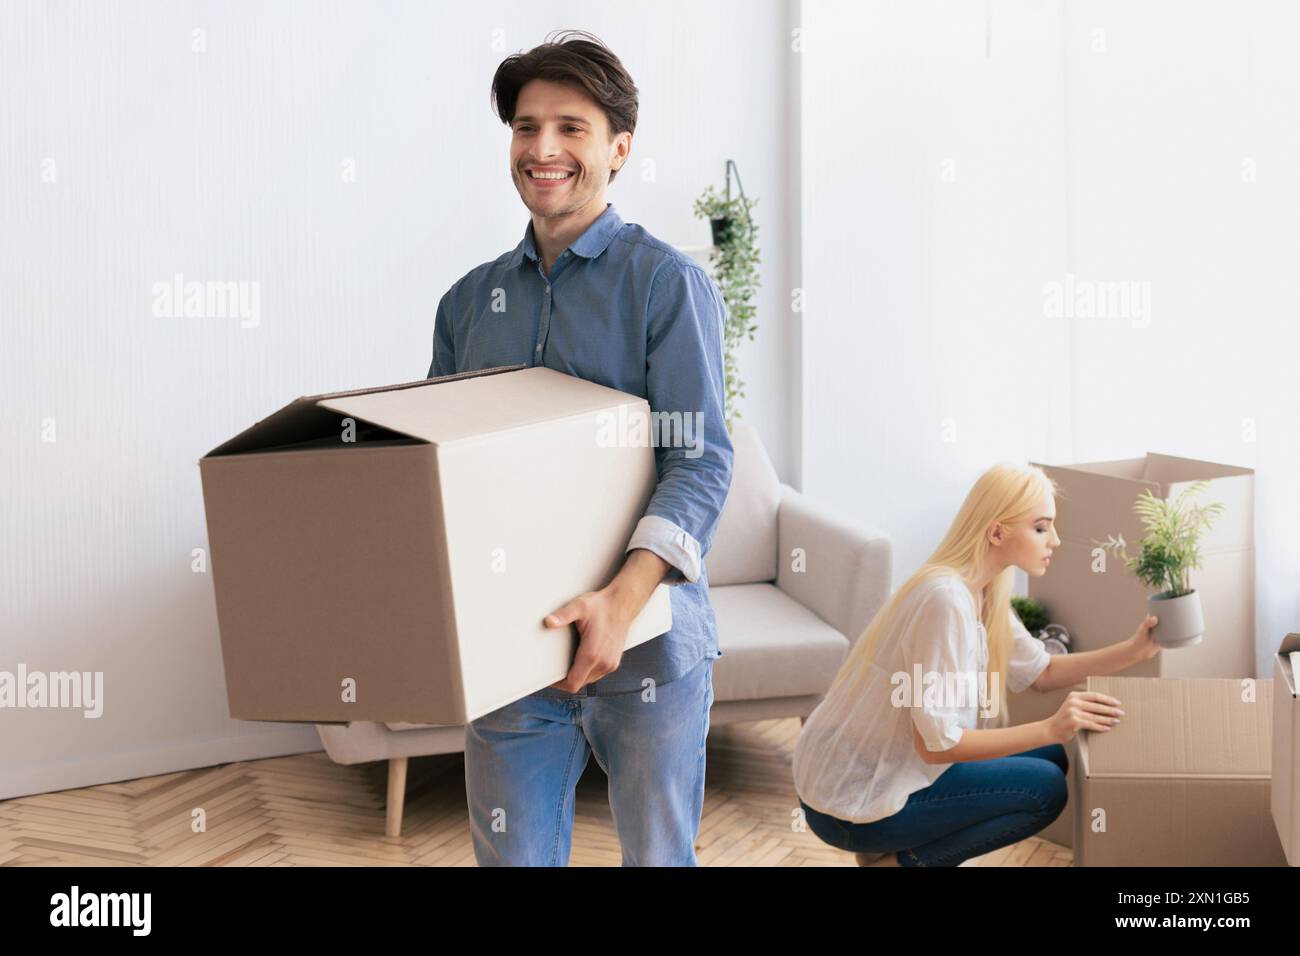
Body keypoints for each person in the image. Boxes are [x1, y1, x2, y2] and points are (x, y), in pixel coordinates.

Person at [427, 30, 733, 866]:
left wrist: (622, 603)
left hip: (650, 644)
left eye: (571, 127)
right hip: (509, 652)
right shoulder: (465, 305)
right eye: (527, 128)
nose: (544, 149)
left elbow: (700, 460)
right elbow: (439, 478)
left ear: (619, 149)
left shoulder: (666, 284)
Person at [792, 463, 1161, 867]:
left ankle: (882, 851)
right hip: (846, 806)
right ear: (997, 532)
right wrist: (1050, 724)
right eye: (1041, 527)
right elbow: (936, 745)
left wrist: (1134, 650)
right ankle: (897, 861)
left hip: (885, 778)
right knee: (1045, 790)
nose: (1054, 540)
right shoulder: (944, 600)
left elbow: (1042, 672)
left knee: (1051, 755)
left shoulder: (982, 592)